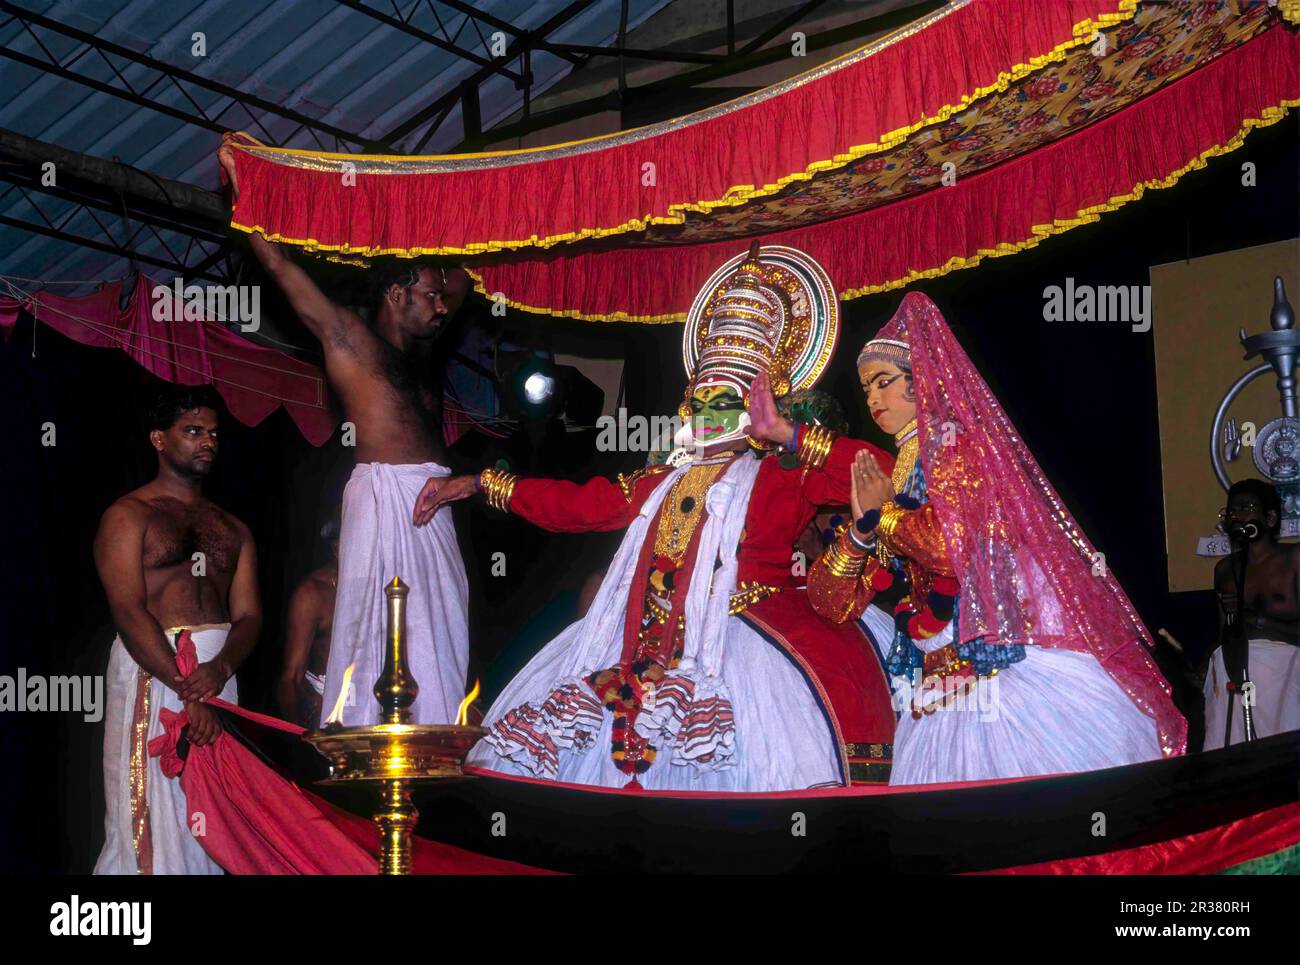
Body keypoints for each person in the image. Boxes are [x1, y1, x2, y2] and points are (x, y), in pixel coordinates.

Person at [416, 244, 898, 790]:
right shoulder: (658, 481)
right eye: (699, 401)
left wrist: (787, 434)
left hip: (743, 648)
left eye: (724, 402)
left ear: (755, 409)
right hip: (642, 645)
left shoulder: (783, 475)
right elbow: (579, 506)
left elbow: (881, 471)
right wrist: (481, 483)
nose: (706, 414)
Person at [808, 291, 1186, 784]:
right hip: (936, 683)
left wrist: (885, 515)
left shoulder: (957, 448)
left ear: (921, 379)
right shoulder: (892, 474)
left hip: (995, 665)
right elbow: (831, 603)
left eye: (884, 382)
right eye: (865, 389)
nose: (873, 399)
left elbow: (950, 549)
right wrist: (861, 532)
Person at [219, 133, 470, 726]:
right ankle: (359, 734)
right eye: (430, 296)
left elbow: (464, 273)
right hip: (384, 497)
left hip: (436, 500)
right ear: (396, 293)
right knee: (373, 628)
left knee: (443, 628)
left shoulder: (423, 356)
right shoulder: (350, 340)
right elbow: (280, 267)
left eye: (441, 298)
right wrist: (242, 185)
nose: (442, 307)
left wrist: (442, 198)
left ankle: (437, 734)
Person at [92, 385, 261, 874]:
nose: (207, 441)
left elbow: (249, 617)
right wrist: (190, 691)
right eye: (192, 430)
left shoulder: (234, 529)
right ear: (159, 439)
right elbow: (128, 611)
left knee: (216, 810)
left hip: (219, 675)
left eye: (213, 433)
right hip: (156, 669)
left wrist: (220, 670)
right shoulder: (128, 515)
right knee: (148, 809)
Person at [1204, 479, 1299, 748]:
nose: (1237, 516)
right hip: (1238, 672)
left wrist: (1259, 622)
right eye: (1232, 510)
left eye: (1247, 508)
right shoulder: (1225, 570)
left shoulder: (1294, 559)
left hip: (1287, 671)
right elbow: (1224, 633)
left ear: (1270, 518)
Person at [277, 517, 340, 727]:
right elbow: (291, 678)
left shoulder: (386, 584)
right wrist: (297, 736)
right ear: (337, 548)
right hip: (325, 703)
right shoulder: (312, 593)